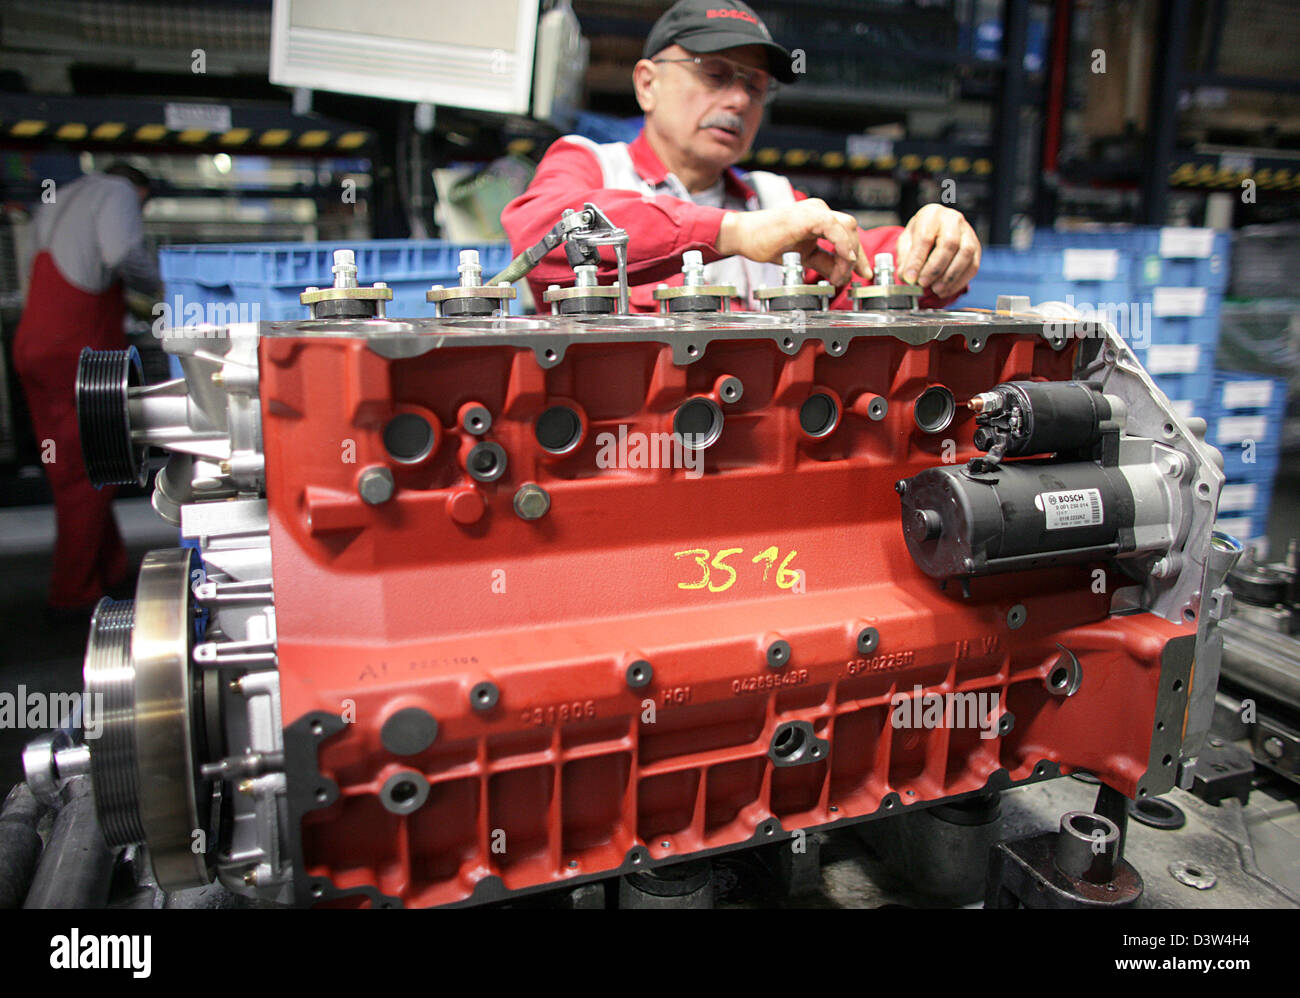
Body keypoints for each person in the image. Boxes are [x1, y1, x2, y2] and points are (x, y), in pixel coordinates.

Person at [502, 0, 981, 312]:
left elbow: (863, 267)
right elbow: (541, 237)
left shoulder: (773, 198)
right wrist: (734, 233)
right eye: (715, 73)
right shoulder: (590, 164)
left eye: (755, 85)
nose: (738, 100)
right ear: (647, 84)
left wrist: (936, 246)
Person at [12, 162, 162, 611]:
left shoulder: (60, 196)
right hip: (77, 348)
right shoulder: (118, 191)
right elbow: (121, 253)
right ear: (139, 189)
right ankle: (73, 591)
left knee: (69, 468)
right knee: (91, 468)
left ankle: (107, 568)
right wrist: (164, 287)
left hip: (35, 344)